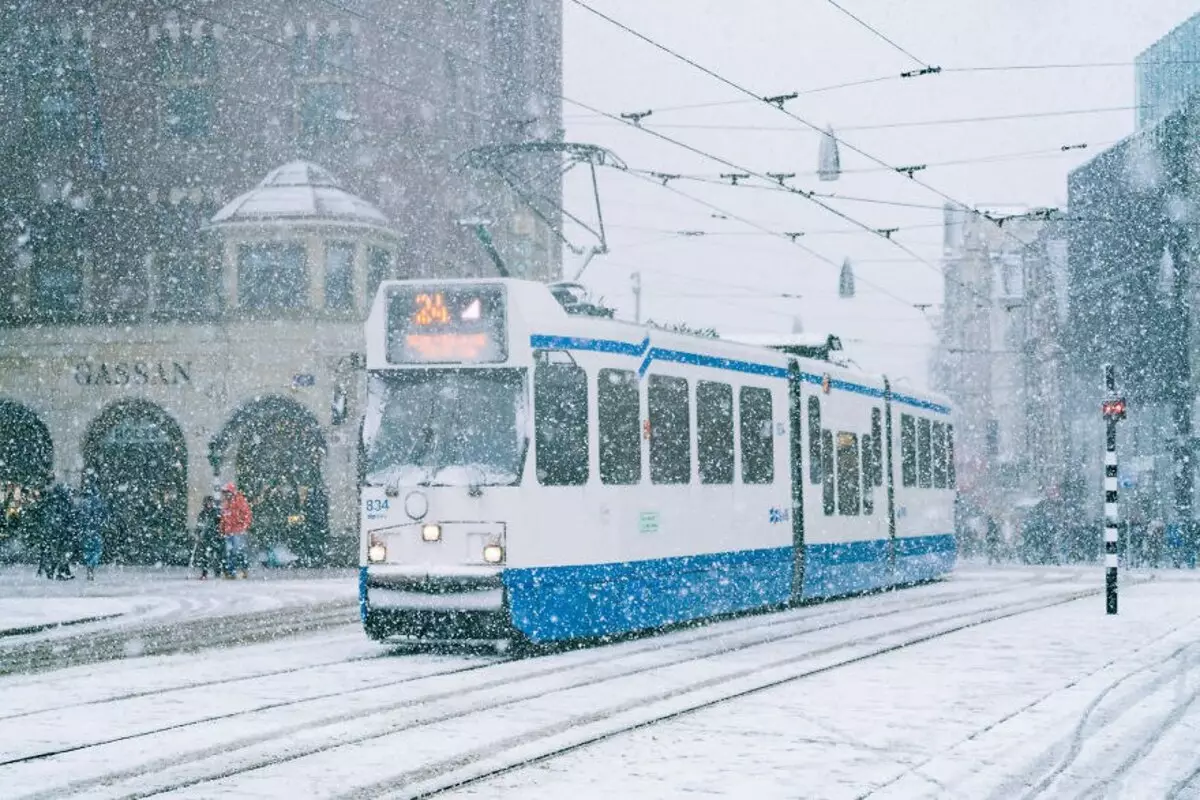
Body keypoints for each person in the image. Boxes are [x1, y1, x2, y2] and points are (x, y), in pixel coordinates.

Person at [219, 482, 253, 579]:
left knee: (236, 551)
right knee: (230, 552)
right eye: (224, 492)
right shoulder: (226, 503)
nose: (225, 494)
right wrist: (222, 529)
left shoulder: (239, 501)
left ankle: (240, 569)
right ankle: (232, 571)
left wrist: (243, 526)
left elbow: (247, 515)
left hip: (238, 531)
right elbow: (224, 518)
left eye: (226, 492)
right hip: (229, 532)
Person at [75, 479, 107, 581]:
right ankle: (91, 567)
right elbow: (103, 515)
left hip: (86, 531)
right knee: (96, 550)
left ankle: (89, 567)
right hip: (95, 530)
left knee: (88, 550)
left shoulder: (83, 503)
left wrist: (81, 527)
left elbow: (79, 517)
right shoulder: (98, 503)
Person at [193, 495, 223, 579]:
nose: (209, 504)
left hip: (215, 536)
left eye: (210, 502)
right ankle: (204, 572)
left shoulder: (216, 512)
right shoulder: (202, 514)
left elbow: (220, 523)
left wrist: (219, 532)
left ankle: (218, 571)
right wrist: (198, 534)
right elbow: (199, 525)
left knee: (217, 555)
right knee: (205, 555)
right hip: (206, 537)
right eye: (207, 502)